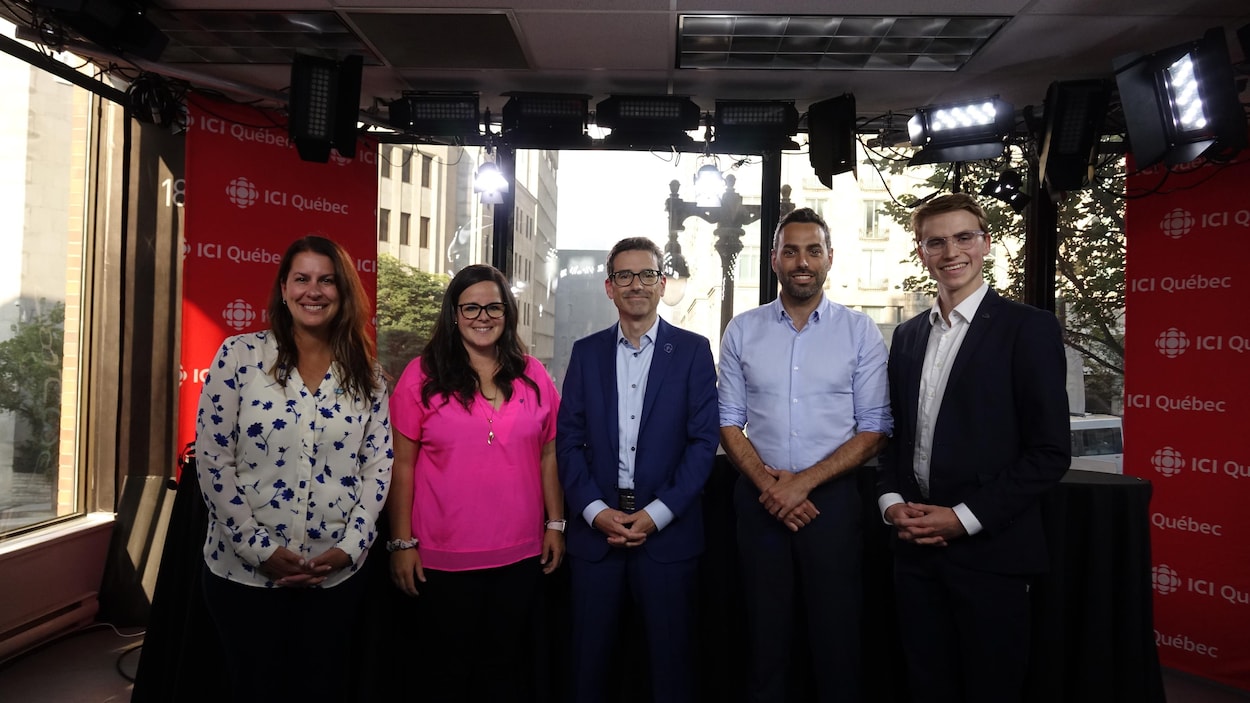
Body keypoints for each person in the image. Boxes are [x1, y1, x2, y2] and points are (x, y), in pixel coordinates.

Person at [876, 193, 1070, 703]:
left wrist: (961, 518)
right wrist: (892, 503)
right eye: (936, 242)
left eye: (964, 237)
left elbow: (1049, 452)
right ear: (921, 252)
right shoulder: (908, 335)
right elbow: (895, 437)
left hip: (991, 552)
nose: (951, 251)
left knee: (991, 687)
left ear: (985, 244)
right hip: (913, 548)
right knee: (925, 683)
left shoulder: (1028, 329)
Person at [194, 235, 392, 703]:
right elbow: (212, 457)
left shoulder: (369, 376)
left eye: (326, 280)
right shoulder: (239, 357)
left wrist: (349, 549)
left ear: (342, 292)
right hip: (243, 576)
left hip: (335, 577)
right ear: (283, 289)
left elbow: (378, 467)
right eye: (301, 279)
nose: (313, 290)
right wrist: (259, 549)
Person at [718, 207, 892, 702]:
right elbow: (727, 420)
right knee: (764, 642)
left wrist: (803, 483)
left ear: (829, 259)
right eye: (790, 250)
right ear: (773, 259)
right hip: (759, 501)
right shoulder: (743, 330)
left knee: (837, 642)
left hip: (833, 504)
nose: (801, 260)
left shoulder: (859, 332)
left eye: (812, 250)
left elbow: (876, 428)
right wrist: (772, 486)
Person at [387, 264, 564, 703]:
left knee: (505, 674)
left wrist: (556, 523)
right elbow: (402, 466)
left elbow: (549, 453)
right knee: (445, 677)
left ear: (508, 313)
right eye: (470, 307)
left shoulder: (533, 375)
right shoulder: (419, 376)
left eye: (493, 306)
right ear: (453, 314)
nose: (482, 316)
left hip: (520, 558)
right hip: (440, 561)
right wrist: (401, 543)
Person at [557, 236, 719, 703]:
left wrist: (656, 514)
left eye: (647, 275)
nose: (636, 284)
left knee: (672, 671)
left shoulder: (691, 351)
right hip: (596, 537)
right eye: (624, 276)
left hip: (668, 537)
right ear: (610, 287)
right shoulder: (586, 353)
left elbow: (703, 442)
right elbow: (568, 440)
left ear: (661, 284)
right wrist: (593, 511)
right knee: (588, 670)